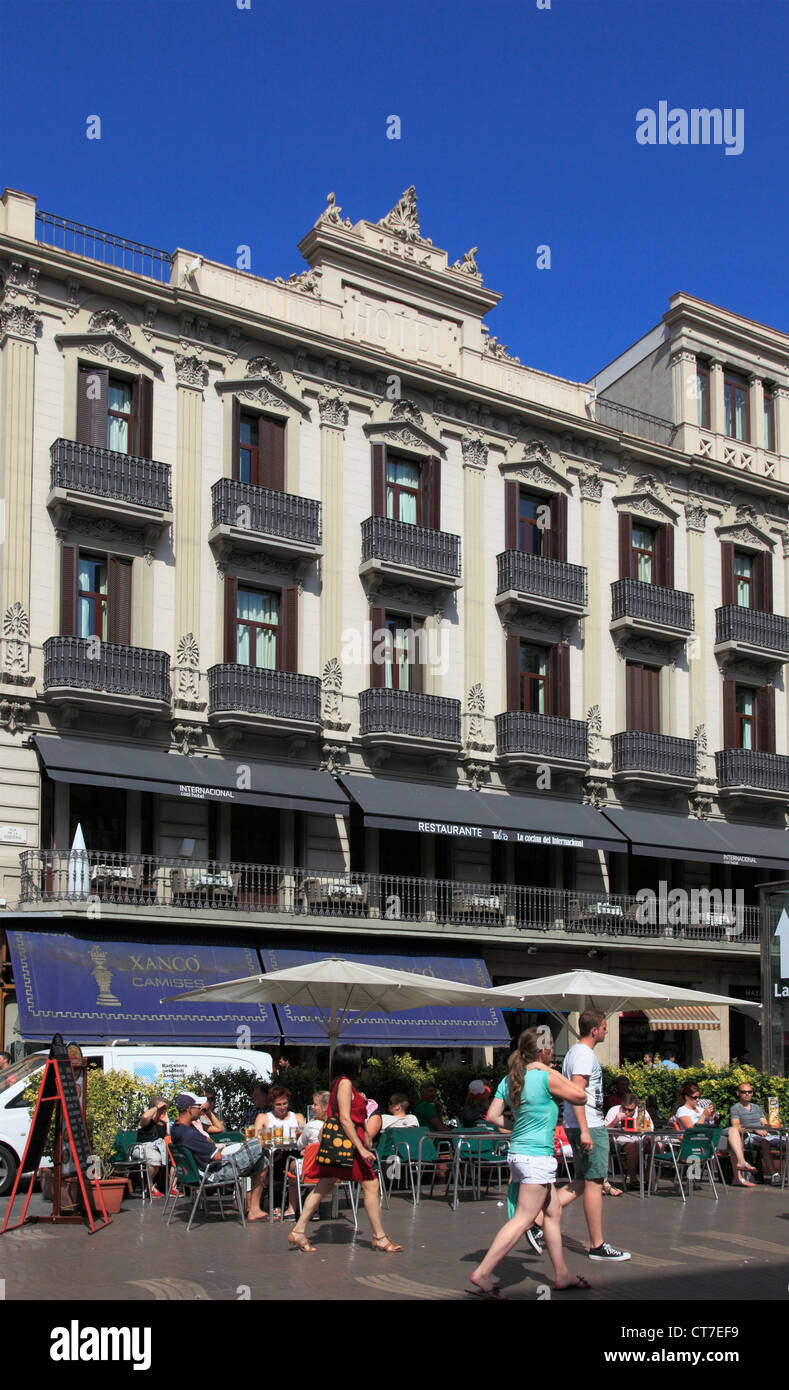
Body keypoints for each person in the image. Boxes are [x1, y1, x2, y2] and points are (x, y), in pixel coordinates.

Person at [468, 1029, 590, 1297]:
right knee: (523, 1219)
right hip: (536, 1156)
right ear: (544, 1051)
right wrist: (551, 1071)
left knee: (553, 1212)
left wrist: (517, 1126)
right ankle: (484, 1273)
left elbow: (492, 1115)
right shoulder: (545, 1076)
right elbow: (581, 1096)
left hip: (519, 1154)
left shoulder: (512, 1077)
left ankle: (562, 1274)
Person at [287, 1045, 402, 1254]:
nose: (362, 1065)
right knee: (371, 1184)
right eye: (359, 1061)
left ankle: (299, 1230)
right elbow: (345, 1119)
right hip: (348, 1144)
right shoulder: (345, 1083)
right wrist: (362, 1148)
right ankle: (379, 1237)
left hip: (343, 1144)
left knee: (324, 1185)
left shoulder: (341, 1084)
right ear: (351, 1063)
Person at [558, 1010, 631, 1261]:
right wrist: (586, 1130)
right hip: (587, 1124)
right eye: (604, 1027)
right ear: (594, 1030)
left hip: (581, 1124)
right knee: (595, 1182)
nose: (606, 1031)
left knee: (580, 1181)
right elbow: (578, 1094)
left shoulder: (575, 1053)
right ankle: (597, 1245)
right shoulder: (583, 1055)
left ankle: (535, 1220)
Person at [170, 1093, 269, 1221]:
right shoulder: (190, 1134)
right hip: (211, 1174)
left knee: (263, 1161)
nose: (201, 1110)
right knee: (258, 1144)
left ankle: (254, 1209)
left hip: (197, 1172)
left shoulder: (177, 1129)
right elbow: (217, 1156)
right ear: (190, 1109)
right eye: (198, 1107)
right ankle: (253, 1209)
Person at [673, 1081, 756, 1187]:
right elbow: (692, 1131)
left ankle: (740, 1166)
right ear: (686, 1097)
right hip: (698, 1141)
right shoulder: (682, 1111)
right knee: (734, 1141)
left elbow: (710, 1123)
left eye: (698, 1097)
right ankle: (738, 1175)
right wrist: (703, 1116)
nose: (697, 1100)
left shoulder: (699, 1109)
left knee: (734, 1131)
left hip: (710, 1135)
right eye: (694, 1097)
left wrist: (711, 1117)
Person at [258, 1085, 306, 1219]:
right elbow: (256, 1138)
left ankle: (291, 1208)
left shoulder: (297, 1117)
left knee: (294, 1167)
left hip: (293, 1154)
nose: (282, 1107)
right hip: (272, 1156)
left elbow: (304, 1136)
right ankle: (274, 1204)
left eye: (285, 1103)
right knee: (267, 1165)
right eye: (278, 1104)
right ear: (272, 1104)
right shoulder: (264, 1117)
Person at [729, 1083, 781, 1184]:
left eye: (750, 1092)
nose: (747, 1094)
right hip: (749, 1136)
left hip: (764, 1134)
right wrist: (754, 1129)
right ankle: (775, 1175)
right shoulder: (735, 1108)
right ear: (738, 1093)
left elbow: (764, 1123)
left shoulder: (756, 1107)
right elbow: (736, 1127)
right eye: (744, 1092)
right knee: (764, 1142)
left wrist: (773, 1124)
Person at [605, 1092, 653, 1190]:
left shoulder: (641, 1110)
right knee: (632, 1146)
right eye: (624, 1108)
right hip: (621, 1141)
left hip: (640, 1140)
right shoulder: (614, 1110)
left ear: (635, 1107)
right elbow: (603, 1131)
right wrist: (615, 1121)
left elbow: (651, 1130)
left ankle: (647, 1174)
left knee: (657, 1145)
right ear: (621, 1105)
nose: (626, 1112)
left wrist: (646, 1137)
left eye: (630, 1110)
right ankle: (633, 1178)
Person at [131, 1095, 170, 1197]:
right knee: (155, 1158)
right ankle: (150, 1186)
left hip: (157, 1148)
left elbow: (168, 1138)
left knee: (166, 1157)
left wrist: (168, 1122)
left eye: (165, 1109)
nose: (164, 1111)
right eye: (162, 1109)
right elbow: (145, 1116)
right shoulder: (146, 1121)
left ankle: (153, 1186)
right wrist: (157, 1107)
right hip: (141, 1147)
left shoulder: (163, 1123)